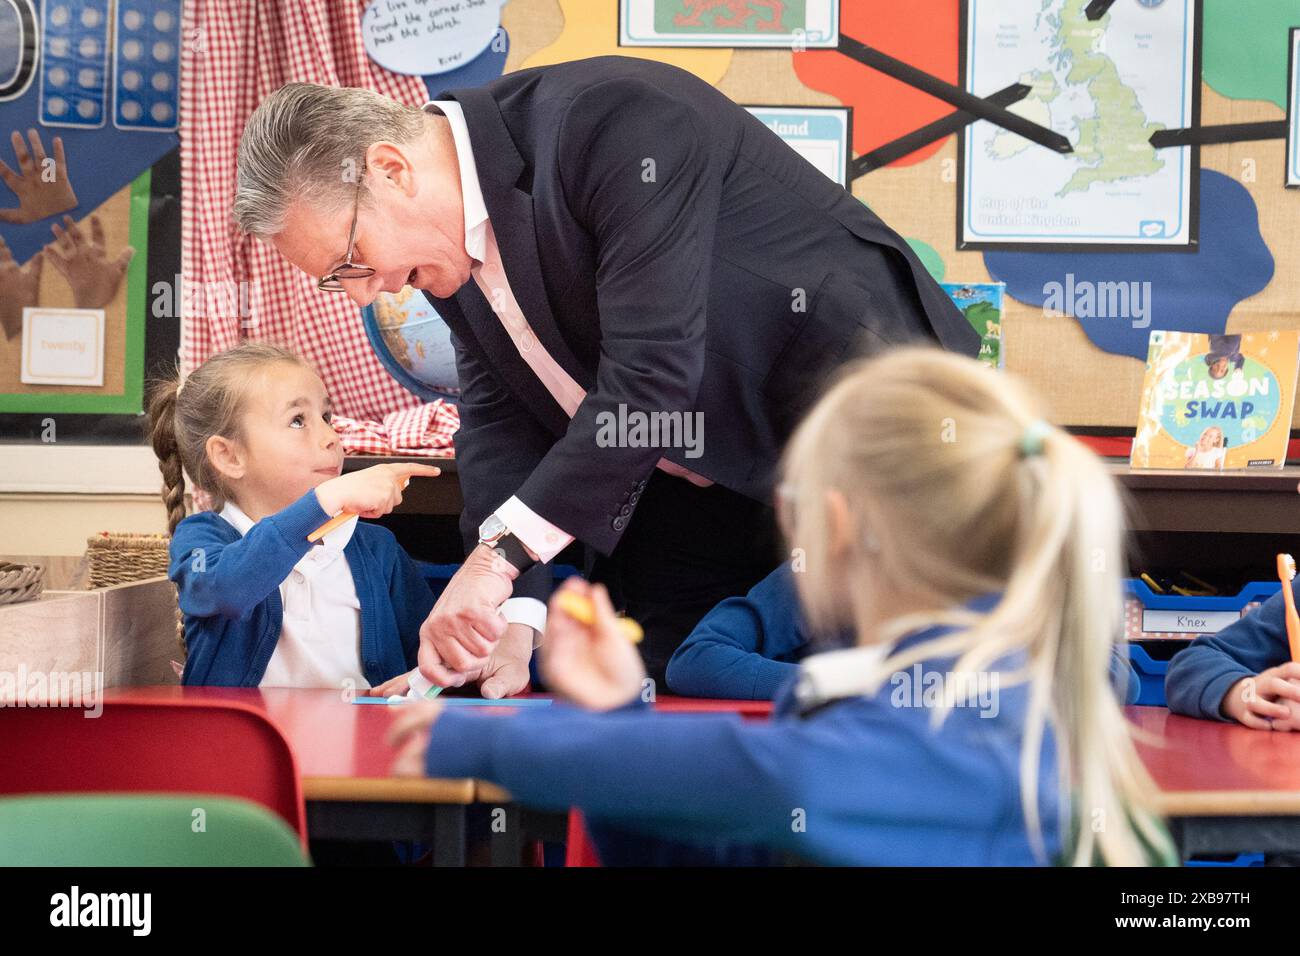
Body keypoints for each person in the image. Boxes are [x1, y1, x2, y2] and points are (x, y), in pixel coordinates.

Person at [231, 56, 980, 695]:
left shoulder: (614, 122)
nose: (368, 292)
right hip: (689, 479)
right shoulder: (444, 258)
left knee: (864, 712)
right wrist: (514, 615)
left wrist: (500, 561)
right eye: (339, 282)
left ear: (390, 170)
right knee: (670, 691)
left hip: (859, 437)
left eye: (351, 262)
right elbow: (500, 419)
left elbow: (652, 380)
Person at [389, 348, 1172, 866]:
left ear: (833, 524)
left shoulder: (982, 712)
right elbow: (731, 844)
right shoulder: (873, 695)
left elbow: (771, 779)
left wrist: (487, 744)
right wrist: (616, 722)